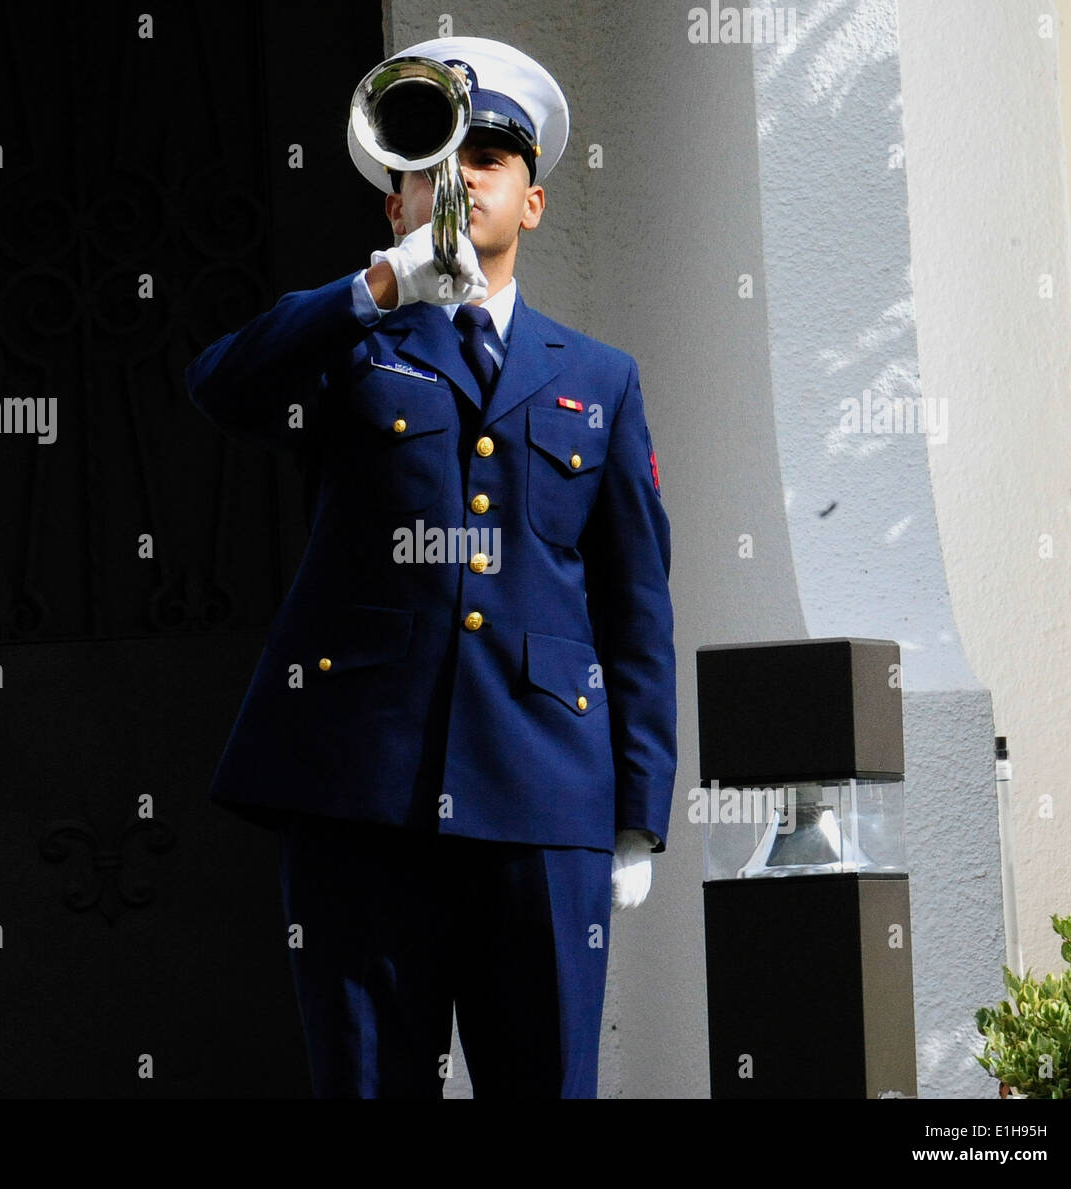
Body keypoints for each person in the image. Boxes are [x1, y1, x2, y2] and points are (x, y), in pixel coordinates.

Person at [185, 36, 677, 1099]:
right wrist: (372, 289)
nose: (454, 177)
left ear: (533, 201)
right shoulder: (350, 349)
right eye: (425, 162)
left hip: (544, 794)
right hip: (365, 791)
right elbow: (220, 387)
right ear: (393, 204)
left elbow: (634, 603)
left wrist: (638, 807)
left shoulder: (597, 375)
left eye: (486, 156)